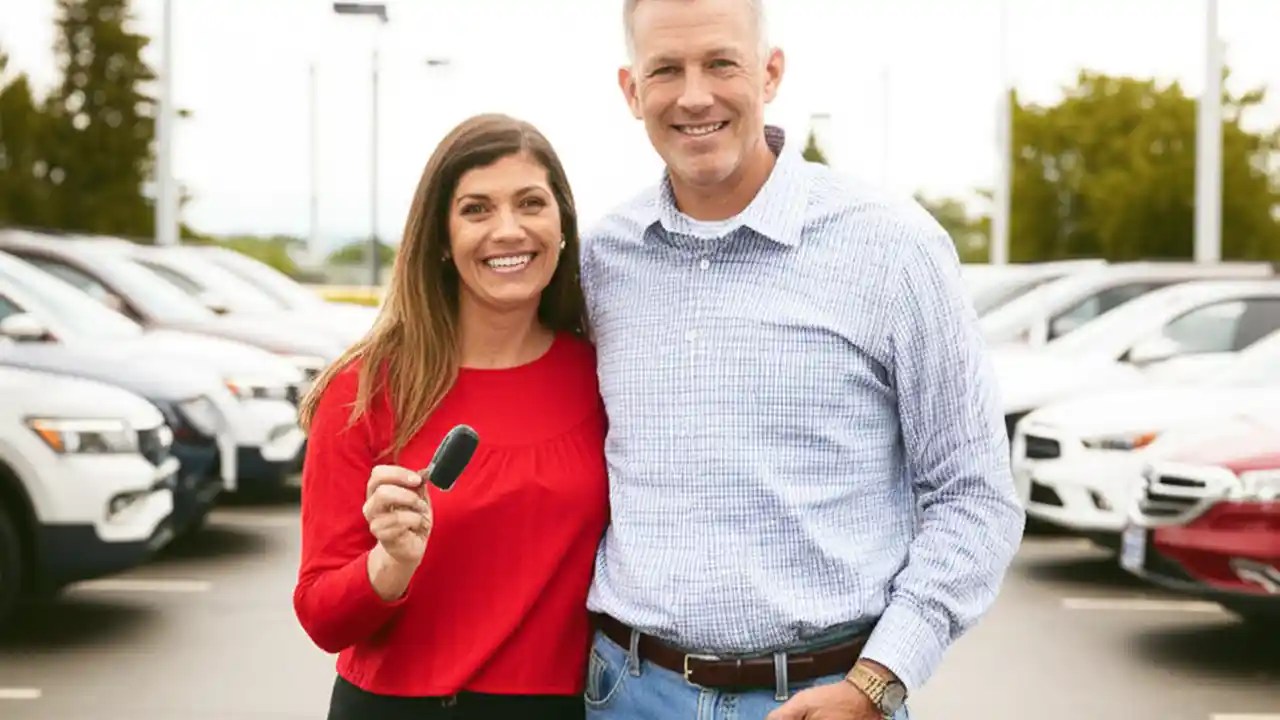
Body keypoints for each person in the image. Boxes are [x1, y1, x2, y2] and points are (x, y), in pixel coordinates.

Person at [578, 0, 1026, 718]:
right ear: (632, 91)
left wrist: (878, 681)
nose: (695, 95)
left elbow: (975, 495)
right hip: (627, 692)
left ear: (770, 73)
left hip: (832, 697)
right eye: (667, 69)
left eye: (721, 63)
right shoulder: (604, 260)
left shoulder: (892, 250)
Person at [292, 113, 608, 720]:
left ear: (563, 224)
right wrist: (391, 563)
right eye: (476, 209)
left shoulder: (604, 377)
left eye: (530, 203)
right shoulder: (365, 389)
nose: (508, 230)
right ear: (440, 236)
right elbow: (321, 615)